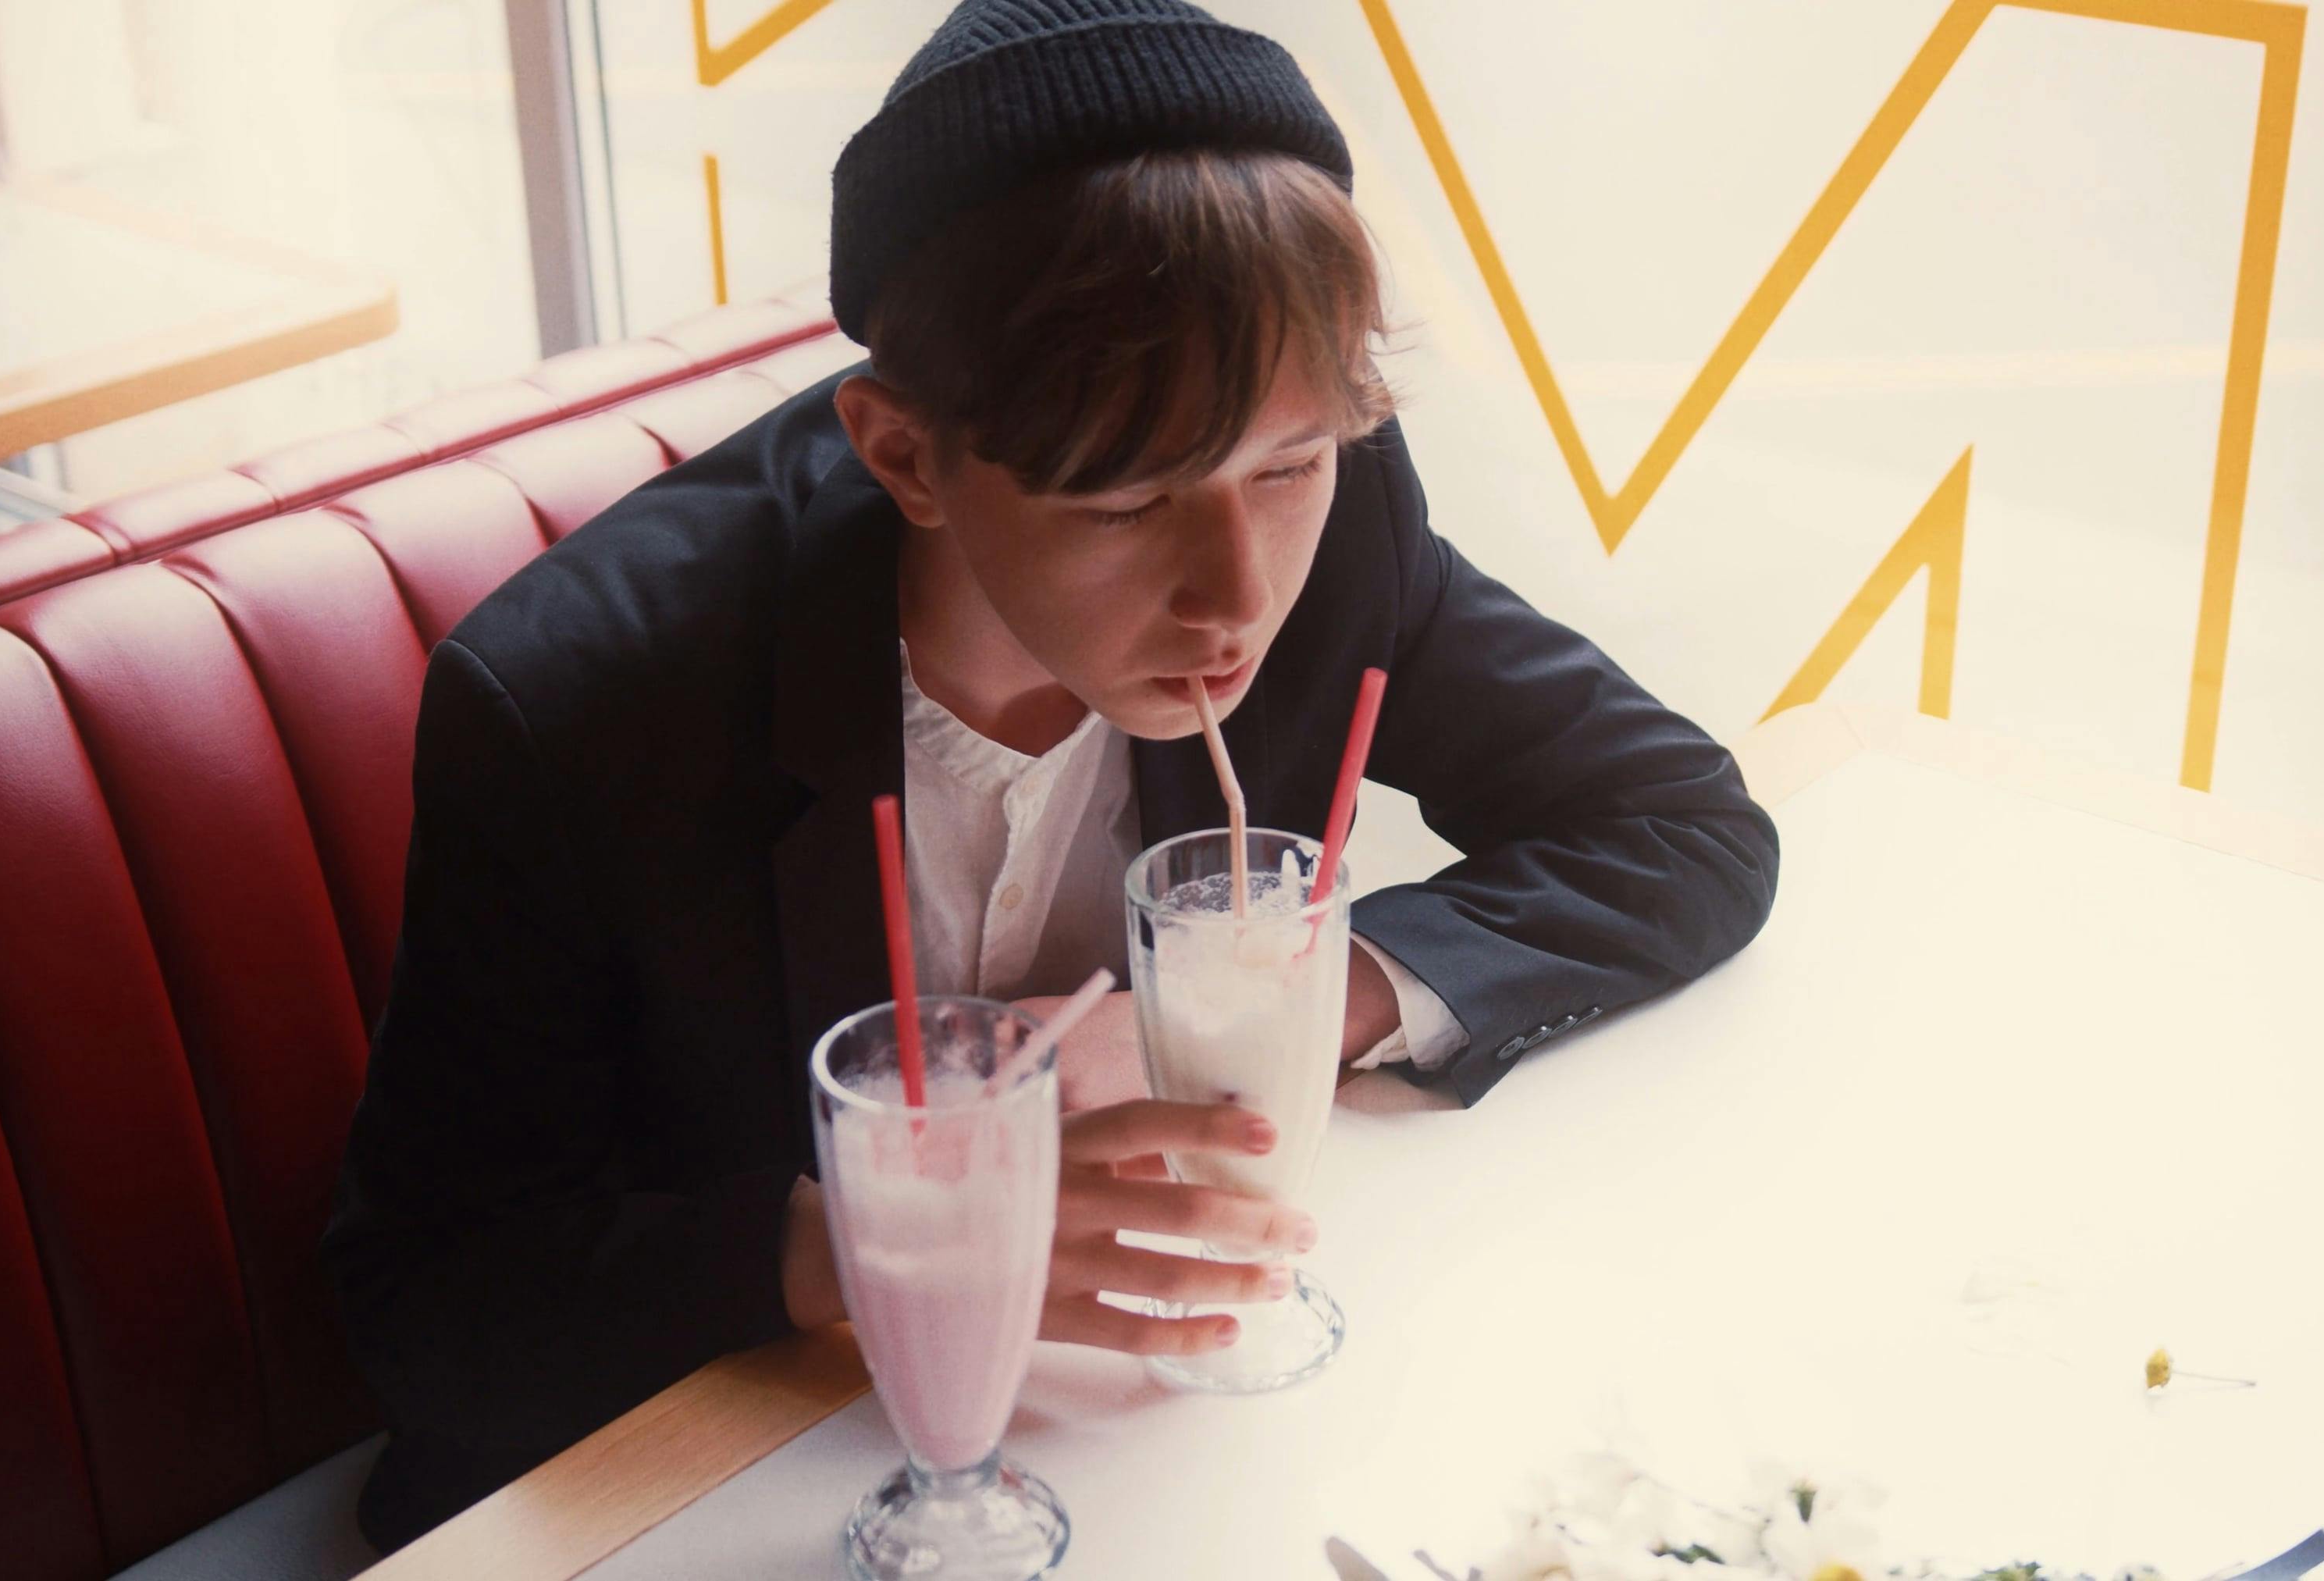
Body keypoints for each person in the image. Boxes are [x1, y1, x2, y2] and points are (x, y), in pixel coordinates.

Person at [323, 0, 1779, 1551]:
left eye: (1287, 465)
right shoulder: (585, 705)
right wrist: (866, 1236)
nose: (1237, 595)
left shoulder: (1340, 519)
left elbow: (1681, 822)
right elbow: (427, 1301)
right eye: (1129, 504)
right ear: (905, 455)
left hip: (1161, 1449)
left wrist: (1294, 995)